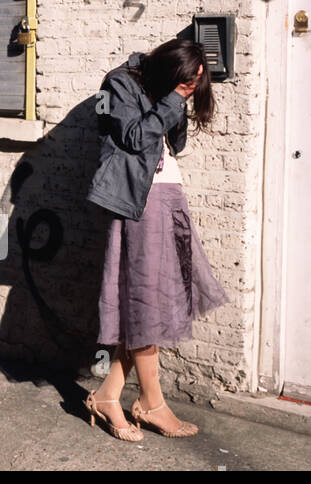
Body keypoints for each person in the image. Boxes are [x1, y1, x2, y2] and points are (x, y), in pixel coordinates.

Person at [83, 39, 230, 442]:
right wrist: (172, 100)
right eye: (185, 84)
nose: (187, 91)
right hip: (138, 203)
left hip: (168, 195)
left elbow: (174, 142)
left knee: (152, 301)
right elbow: (133, 136)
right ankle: (152, 403)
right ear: (168, 70)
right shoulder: (120, 84)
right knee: (146, 302)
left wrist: (177, 104)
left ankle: (109, 395)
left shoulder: (167, 94)